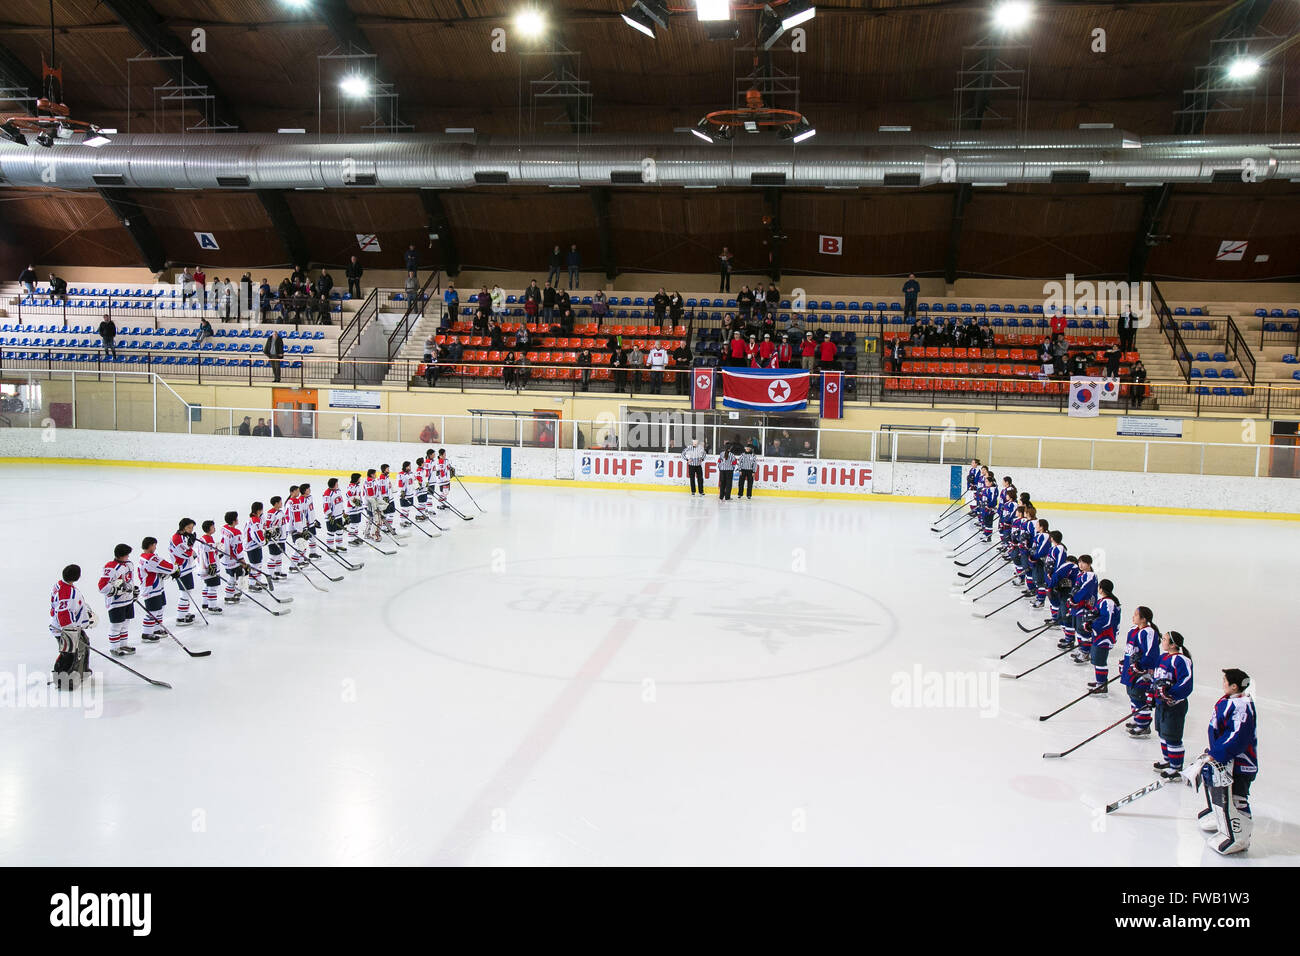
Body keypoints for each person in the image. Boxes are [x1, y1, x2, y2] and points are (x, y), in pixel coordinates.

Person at [1197, 668, 1257, 855]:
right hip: (1225, 758)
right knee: (1220, 793)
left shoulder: (1241, 706)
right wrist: (1215, 751)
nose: (1222, 683)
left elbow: (1237, 736)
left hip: (1239, 763)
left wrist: (1219, 752)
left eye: (1225, 681)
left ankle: (1240, 837)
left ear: (1234, 686)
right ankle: (1223, 823)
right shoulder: (1229, 700)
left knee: (1237, 797)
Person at [1149, 629, 1194, 781]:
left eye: (1166, 639)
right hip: (1162, 703)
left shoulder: (1181, 660)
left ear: (1173, 644)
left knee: (1172, 735)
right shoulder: (1162, 657)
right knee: (1162, 732)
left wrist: (1170, 693)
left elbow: (1186, 682)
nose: (1163, 640)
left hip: (1174, 705)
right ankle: (1168, 759)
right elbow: (1156, 678)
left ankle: (1176, 767)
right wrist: (1153, 695)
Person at [50, 565, 95, 690]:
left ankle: (83, 670)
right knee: (68, 654)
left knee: (84, 644)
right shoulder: (67, 592)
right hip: (66, 630)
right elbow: (63, 613)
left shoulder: (61, 585)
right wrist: (70, 631)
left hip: (71, 627)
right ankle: (62, 681)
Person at [1121, 606, 1162, 738]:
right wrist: (1124, 662)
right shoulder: (1133, 630)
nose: (1133, 617)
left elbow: (1151, 653)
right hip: (1131, 670)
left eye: (1136, 615)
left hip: (1141, 673)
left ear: (1144, 619)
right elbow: (1130, 650)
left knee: (1139, 696)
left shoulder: (1148, 632)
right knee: (1132, 694)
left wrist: (1141, 665)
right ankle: (1137, 718)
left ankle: (1143, 725)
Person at [97, 543, 137, 658]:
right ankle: (114, 647)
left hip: (128, 600)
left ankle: (123, 644)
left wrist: (133, 590)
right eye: (126, 555)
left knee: (125, 623)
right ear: (120, 555)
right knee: (116, 625)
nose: (128, 557)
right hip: (116, 602)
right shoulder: (111, 567)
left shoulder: (129, 564)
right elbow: (102, 587)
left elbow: (130, 580)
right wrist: (116, 589)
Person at [135, 536, 175, 644]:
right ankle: (146, 633)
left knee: (160, 608)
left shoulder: (146, 557)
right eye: (155, 545)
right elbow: (168, 567)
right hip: (151, 589)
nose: (155, 547)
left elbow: (159, 569)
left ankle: (156, 628)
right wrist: (174, 569)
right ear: (151, 545)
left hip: (157, 588)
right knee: (153, 611)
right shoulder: (149, 558)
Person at [168, 519, 198, 628]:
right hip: (182, 569)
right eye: (189, 528)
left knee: (187, 591)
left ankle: (184, 612)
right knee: (185, 592)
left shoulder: (182, 537)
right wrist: (191, 546)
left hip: (186, 568)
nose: (191, 530)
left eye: (192, 528)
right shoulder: (177, 539)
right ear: (183, 527)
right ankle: (181, 617)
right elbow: (185, 554)